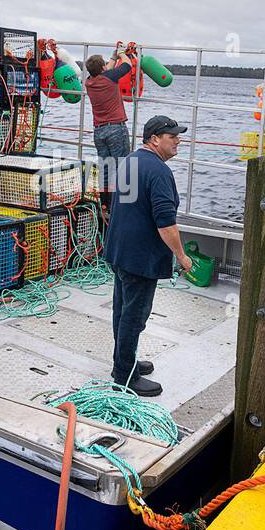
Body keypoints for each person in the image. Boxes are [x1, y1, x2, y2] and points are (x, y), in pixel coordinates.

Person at [104, 116, 194, 397]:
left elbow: (126, 206)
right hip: (140, 258)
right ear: (155, 139)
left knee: (122, 310)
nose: (178, 140)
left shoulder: (130, 160)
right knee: (134, 316)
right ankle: (125, 376)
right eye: (172, 136)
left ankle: (124, 361)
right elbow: (166, 223)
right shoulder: (159, 172)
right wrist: (181, 256)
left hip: (119, 250)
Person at [84, 49, 135, 207]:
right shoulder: (109, 78)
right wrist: (121, 53)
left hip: (99, 131)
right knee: (123, 165)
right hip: (115, 129)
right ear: (103, 69)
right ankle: (124, 203)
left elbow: (105, 70)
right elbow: (127, 66)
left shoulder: (88, 81)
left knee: (105, 169)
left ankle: (105, 203)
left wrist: (113, 57)